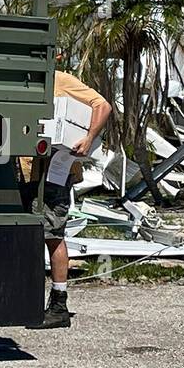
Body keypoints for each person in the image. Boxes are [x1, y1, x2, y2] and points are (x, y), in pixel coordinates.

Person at [36, 68, 112, 328]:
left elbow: (102, 105)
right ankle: (29, 299)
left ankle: (59, 304)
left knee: (53, 234)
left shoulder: (61, 79)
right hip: (28, 170)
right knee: (32, 233)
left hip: (57, 169)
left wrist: (88, 137)